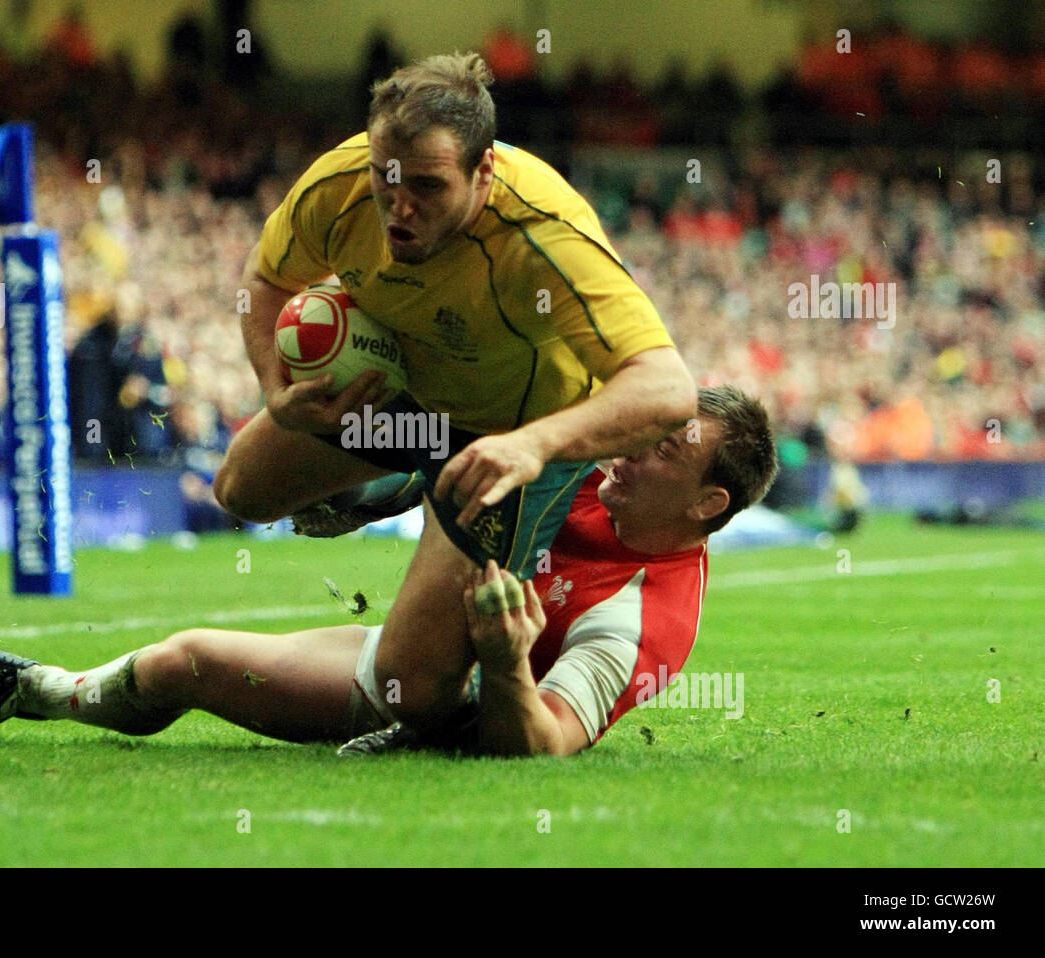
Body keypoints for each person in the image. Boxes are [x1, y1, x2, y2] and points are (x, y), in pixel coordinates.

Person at [211, 52, 696, 735]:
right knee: (240, 491)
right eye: (387, 179)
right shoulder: (341, 183)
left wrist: (534, 446)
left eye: (430, 187)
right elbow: (265, 283)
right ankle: (412, 479)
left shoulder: (546, 235)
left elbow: (670, 390)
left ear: (484, 172)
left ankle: (453, 613)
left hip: (514, 438)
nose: (399, 206)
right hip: (408, 403)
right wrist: (275, 389)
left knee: (411, 689)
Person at [0, 386, 776, 758]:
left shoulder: (650, 618)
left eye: (666, 449)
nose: (632, 450)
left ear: (708, 505)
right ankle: (34, 689)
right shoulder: (588, 461)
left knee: (497, 465)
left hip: (472, 684)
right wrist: (373, 494)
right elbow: (471, 467)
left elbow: (544, 746)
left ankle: (429, 724)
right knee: (186, 663)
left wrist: (508, 661)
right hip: (415, 647)